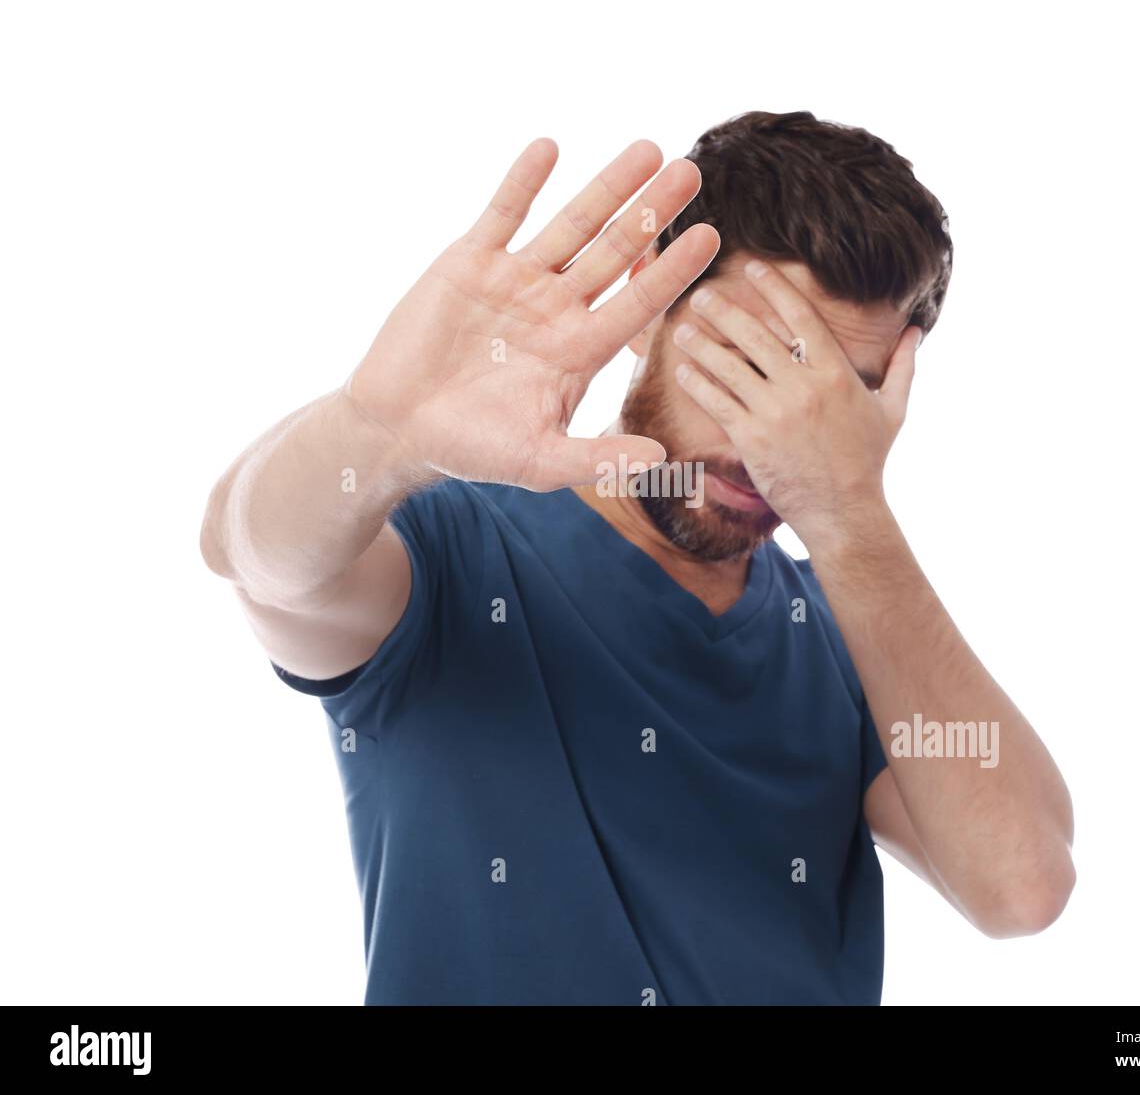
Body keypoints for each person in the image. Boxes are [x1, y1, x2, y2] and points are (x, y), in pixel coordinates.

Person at [200, 111, 1075, 1005]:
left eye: (827, 402)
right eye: (746, 364)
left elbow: (1021, 885)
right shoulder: (454, 555)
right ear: (644, 310)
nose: (767, 439)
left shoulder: (858, 635)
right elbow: (253, 555)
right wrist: (375, 430)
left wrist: (850, 513)